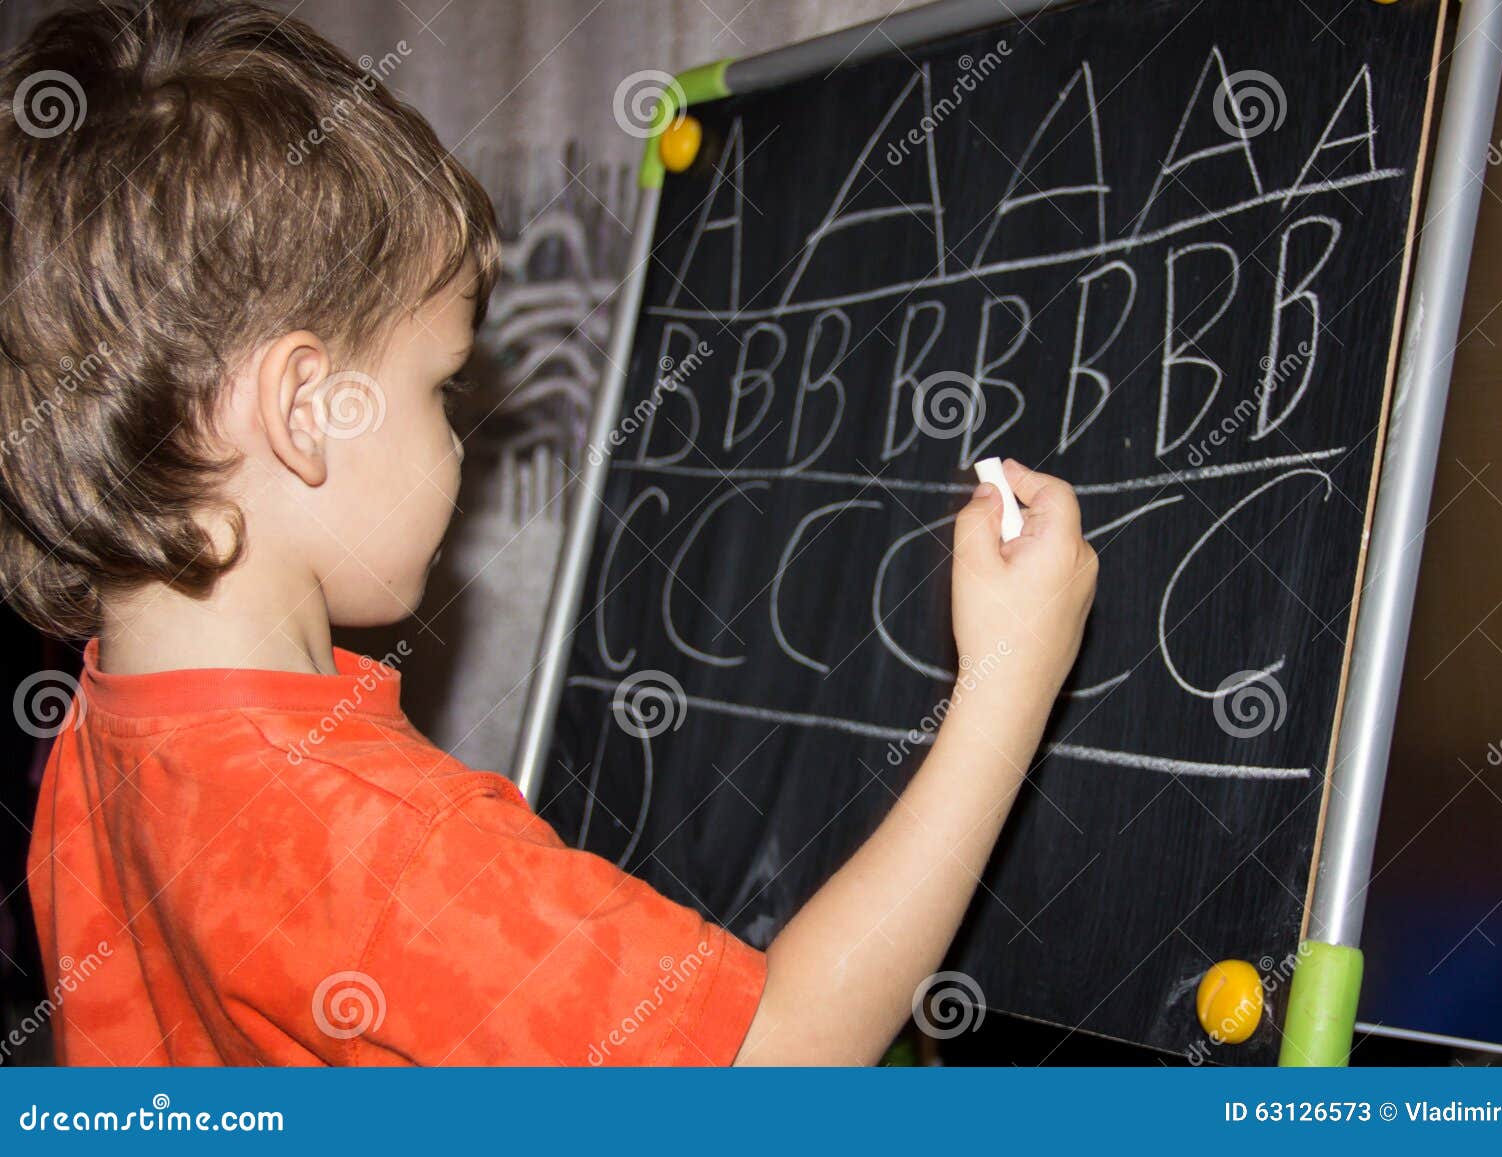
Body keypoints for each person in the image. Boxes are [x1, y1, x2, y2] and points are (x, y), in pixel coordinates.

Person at [0, 0, 1098, 1065]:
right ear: (305, 412)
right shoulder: (384, 844)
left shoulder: (102, 725)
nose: (458, 442)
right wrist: (1006, 682)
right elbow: (779, 1061)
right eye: (443, 385)